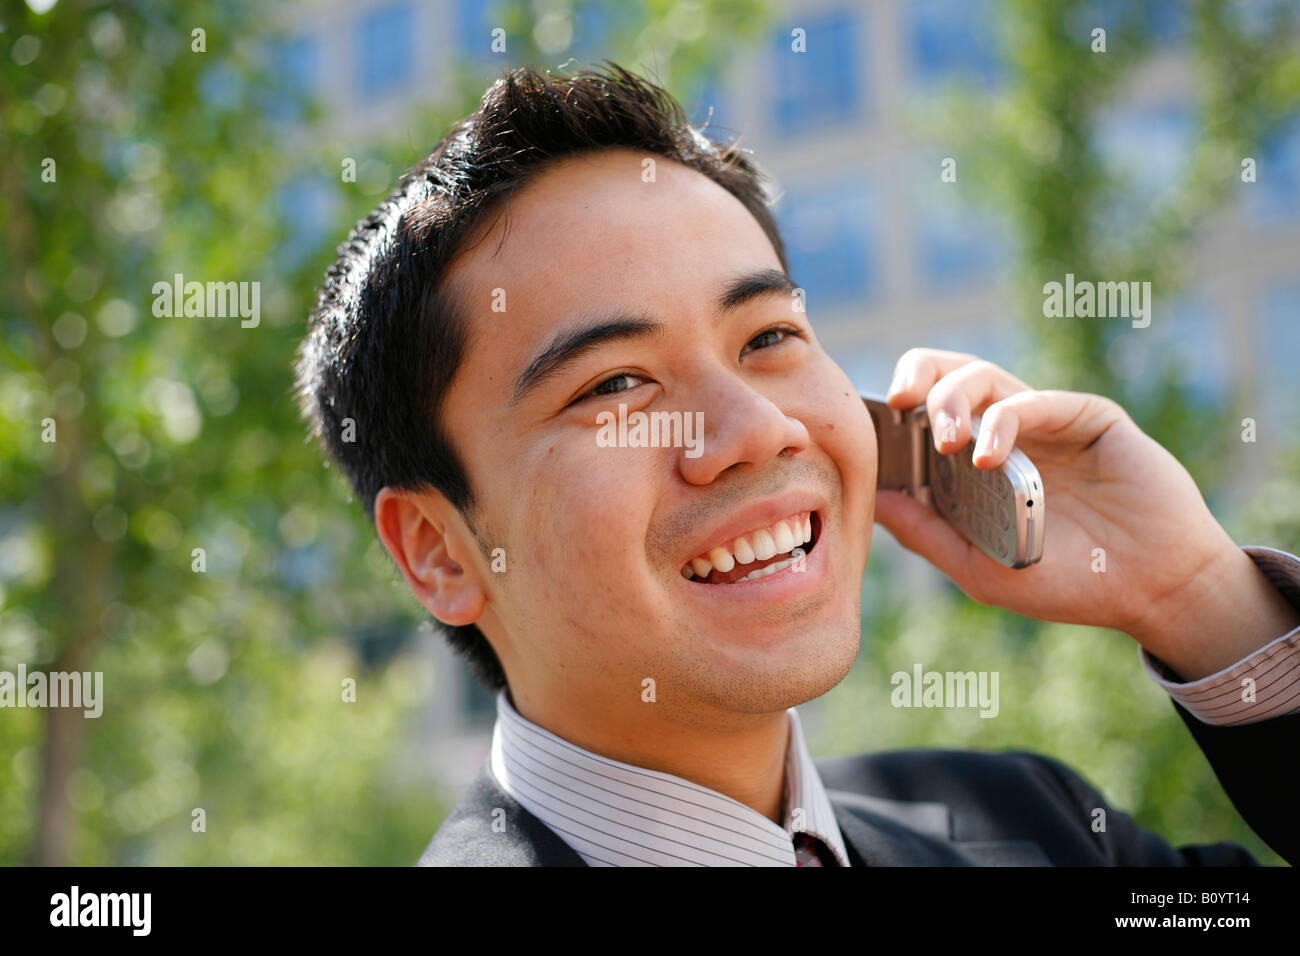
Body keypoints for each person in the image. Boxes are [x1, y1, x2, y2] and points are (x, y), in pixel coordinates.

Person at [295, 63, 1300, 866]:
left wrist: (1201, 598)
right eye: (612, 386)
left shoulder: (1035, 824)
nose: (758, 429)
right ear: (437, 548)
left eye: (767, 335)